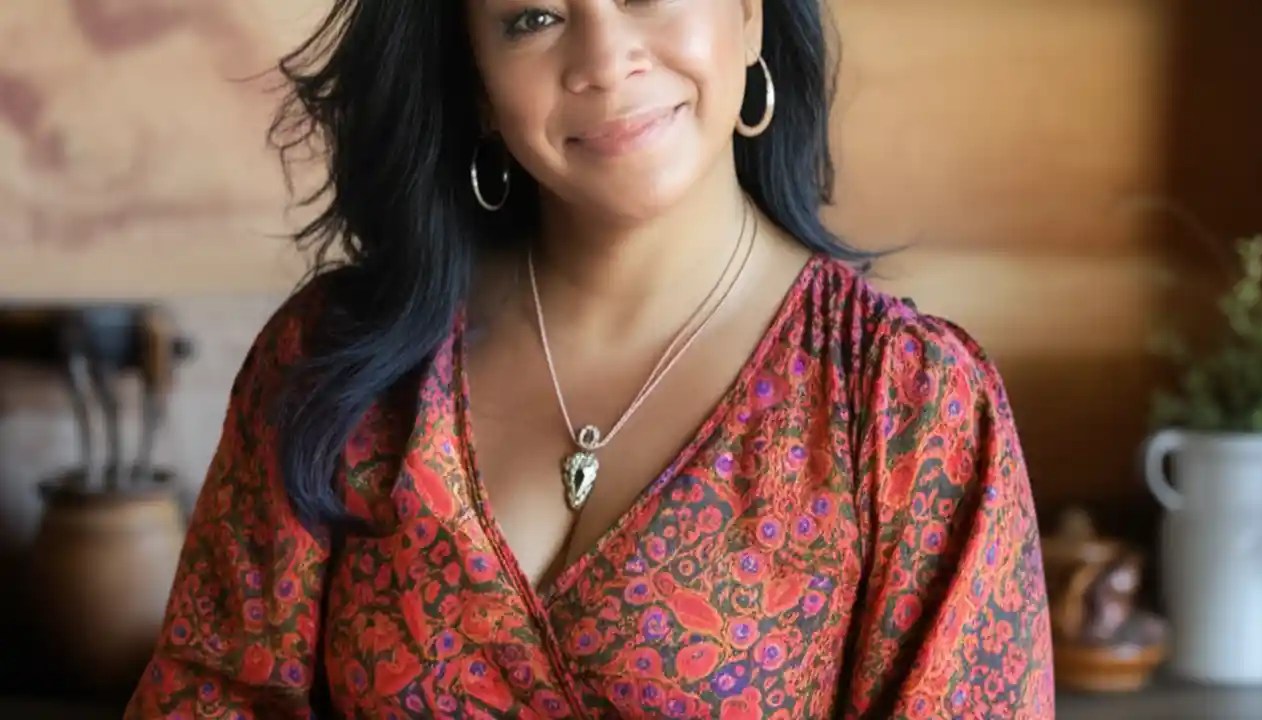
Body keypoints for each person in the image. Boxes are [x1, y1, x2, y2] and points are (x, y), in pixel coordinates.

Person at [125, 0, 1054, 717]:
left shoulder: (906, 408)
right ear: (478, 83)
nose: (606, 62)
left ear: (748, 13)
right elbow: (211, 695)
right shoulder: (333, 367)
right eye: (533, 18)